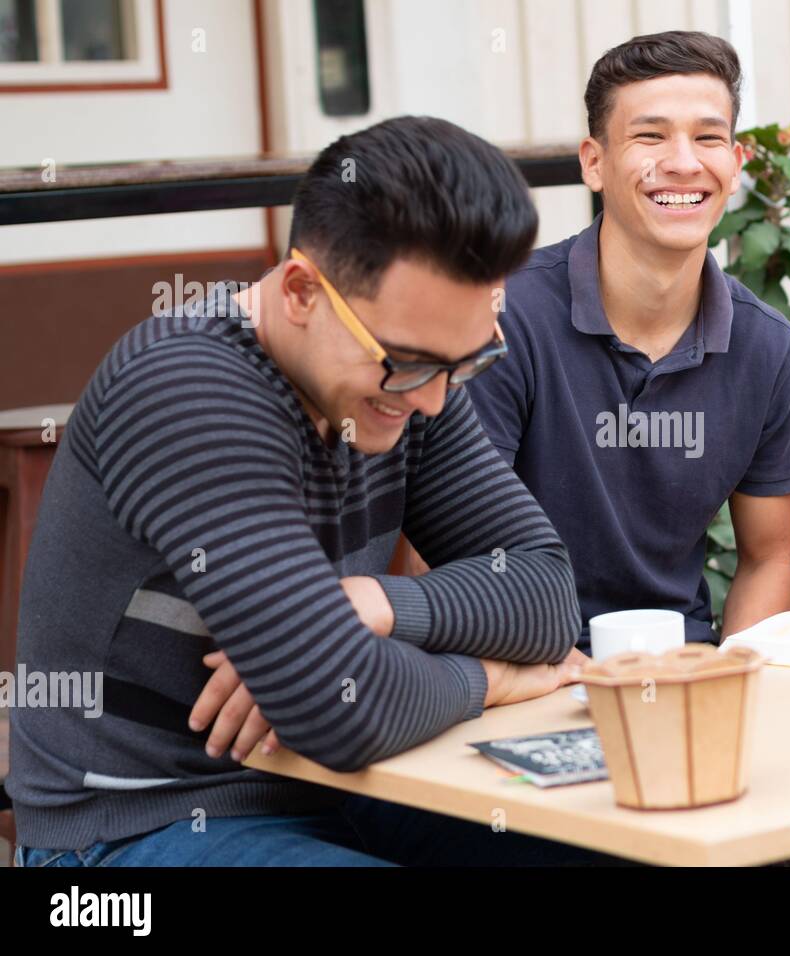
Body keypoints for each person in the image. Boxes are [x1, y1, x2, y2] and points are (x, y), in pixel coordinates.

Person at [9, 115, 611, 866]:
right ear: (299, 290)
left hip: (363, 786)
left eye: (466, 363)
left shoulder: (415, 368)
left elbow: (546, 594)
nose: (431, 401)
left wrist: (378, 608)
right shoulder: (185, 391)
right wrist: (492, 676)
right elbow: (340, 706)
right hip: (134, 831)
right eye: (410, 364)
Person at [466, 30, 790, 867]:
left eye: (707, 137)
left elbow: (768, 557)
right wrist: (540, 671)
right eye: (650, 136)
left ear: (735, 161)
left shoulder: (765, 346)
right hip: (523, 685)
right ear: (594, 162)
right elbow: (438, 552)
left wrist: (735, 682)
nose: (683, 162)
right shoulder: (507, 320)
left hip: (684, 683)